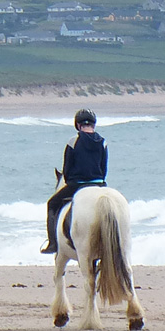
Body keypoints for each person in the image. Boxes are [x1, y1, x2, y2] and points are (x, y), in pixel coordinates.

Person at [41, 109, 107, 254]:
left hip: (77, 184)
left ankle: (53, 243)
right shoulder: (103, 142)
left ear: (77, 125)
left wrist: (72, 180)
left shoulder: (73, 141)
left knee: (52, 204)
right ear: (94, 124)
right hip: (99, 184)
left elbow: (67, 168)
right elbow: (104, 168)